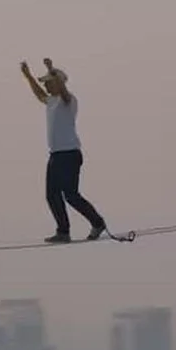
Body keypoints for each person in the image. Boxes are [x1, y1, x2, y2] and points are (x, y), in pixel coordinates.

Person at [20, 58, 107, 243]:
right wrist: (28, 76)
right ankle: (63, 231)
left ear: (57, 82)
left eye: (49, 82)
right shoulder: (51, 101)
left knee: (71, 195)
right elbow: (39, 94)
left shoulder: (69, 100)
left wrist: (51, 69)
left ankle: (97, 223)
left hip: (70, 154)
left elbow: (63, 91)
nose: (47, 86)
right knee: (51, 195)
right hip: (55, 155)